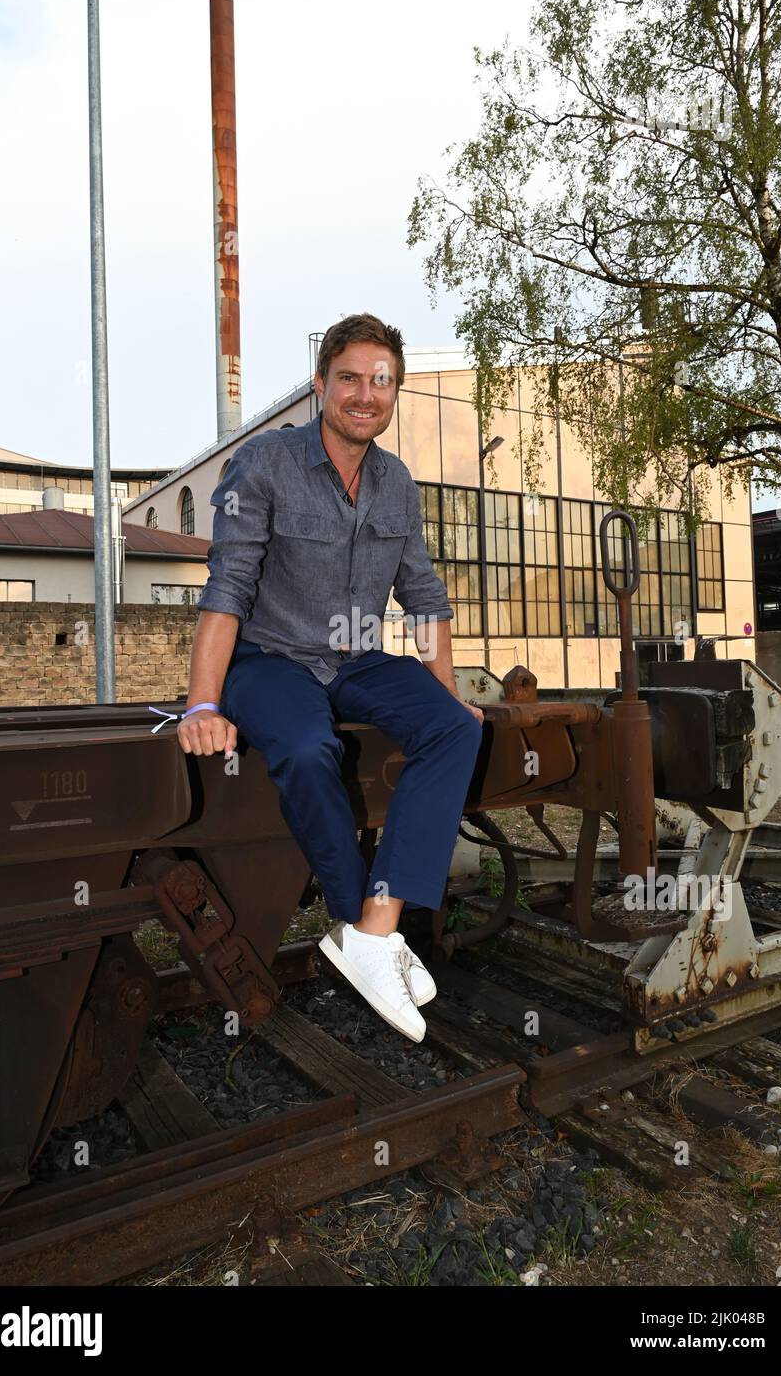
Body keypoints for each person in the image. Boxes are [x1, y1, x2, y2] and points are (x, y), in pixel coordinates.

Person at [177, 312, 484, 1042]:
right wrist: (201, 701)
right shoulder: (265, 465)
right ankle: (361, 925)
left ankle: (374, 931)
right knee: (310, 748)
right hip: (270, 658)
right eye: (349, 377)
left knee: (453, 728)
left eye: (381, 382)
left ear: (394, 394)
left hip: (353, 656)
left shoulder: (396, 484)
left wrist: (445, 690)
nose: (364, 394)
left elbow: (426, 598)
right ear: (322, 385)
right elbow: (227, 589)